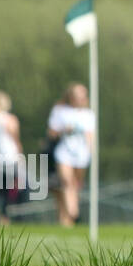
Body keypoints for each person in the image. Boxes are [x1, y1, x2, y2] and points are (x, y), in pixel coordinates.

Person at [47, 83, 94, 227]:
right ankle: (74, 213)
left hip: (81, 154)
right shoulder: (60, 111)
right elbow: (51, 133)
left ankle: (67, 218)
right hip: (64, 153)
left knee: (75, 185)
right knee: (67, 182)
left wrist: (91, 152)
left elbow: (90, 136)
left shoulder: (88, 114)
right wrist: (63, 130)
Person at [0, 92, 23, 226]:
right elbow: (16, 140)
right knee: (6, 190)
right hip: (9, 158)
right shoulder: (11, 119)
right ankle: (3, 216)